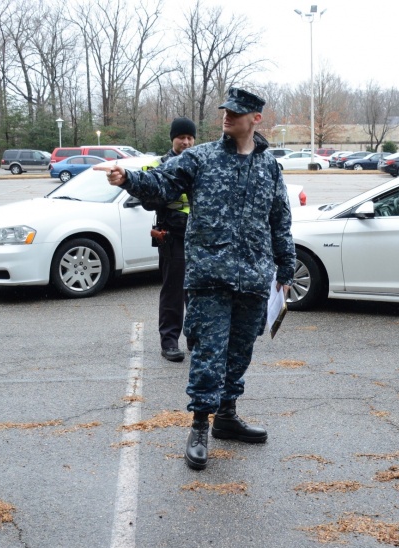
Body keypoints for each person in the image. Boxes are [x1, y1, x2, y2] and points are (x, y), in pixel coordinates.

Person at [99, 88, 295, 471]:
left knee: (239, 353)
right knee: (207, 354)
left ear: (256, 119)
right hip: (208, 276)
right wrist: (127, 179)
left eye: (236, 113)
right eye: (225, 111)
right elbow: (162, 184)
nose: (227, 117)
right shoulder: (201, 157)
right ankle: (199, 427)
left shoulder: (269, 166)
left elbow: (280, 220)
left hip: (254, 278)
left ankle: (226, 417)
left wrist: (284, 270)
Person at [145, 117, 196, 363]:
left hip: (199, 237)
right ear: (172, 139)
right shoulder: (158, 164)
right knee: (173, 291)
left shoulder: (200, 163)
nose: (185, 142)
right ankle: (169, 342)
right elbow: (147, 199)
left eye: (189, 138)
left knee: (198, 290)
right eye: (181, 138)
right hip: (172, 234)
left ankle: (195, 338)